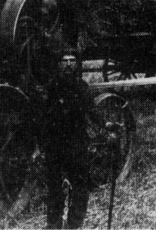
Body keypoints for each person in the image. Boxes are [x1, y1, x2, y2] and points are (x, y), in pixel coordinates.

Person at [44, 53, 93, 229]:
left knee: (80, 188)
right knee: (54, 190)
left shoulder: (83, 87)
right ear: (59, 64)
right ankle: (54, 225)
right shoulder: (52, 88)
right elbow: (42, 117)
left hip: (77, 144)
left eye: (72, 61)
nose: (69, 64)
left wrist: (106, 124)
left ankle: (74, 224)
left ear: (77, 65)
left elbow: (92, 111)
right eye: (65, 61)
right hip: (55, 145)